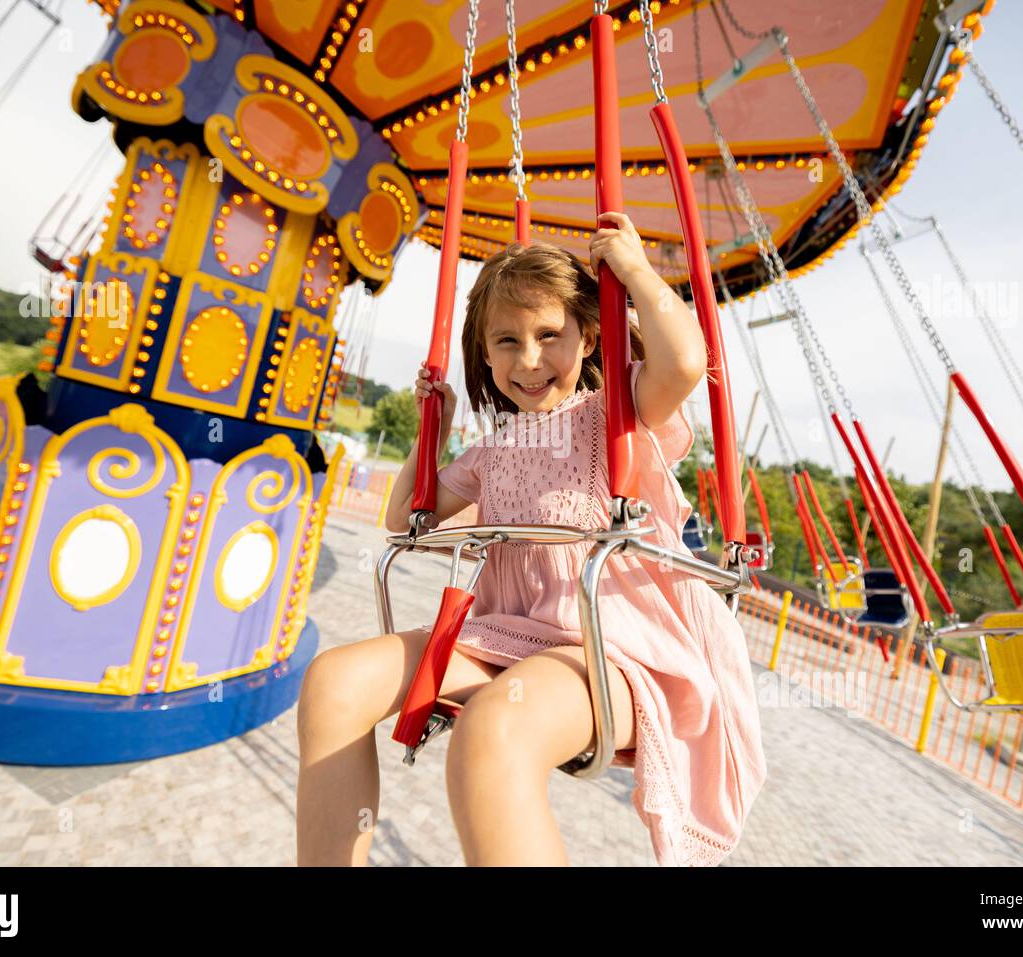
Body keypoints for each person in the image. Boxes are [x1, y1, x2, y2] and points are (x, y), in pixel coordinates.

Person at [295, 212, 767, 867]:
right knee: (333, 681)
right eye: (508, 340)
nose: (531, 358)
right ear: (484, 355)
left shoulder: (618, 418)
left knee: (493, 728)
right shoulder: (490, 452)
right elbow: (406, 519)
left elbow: (686, 361)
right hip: (503, 643)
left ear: (589, 337)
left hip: (610, 656)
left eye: (551, 335)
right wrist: (438, 426)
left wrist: (631, 268)